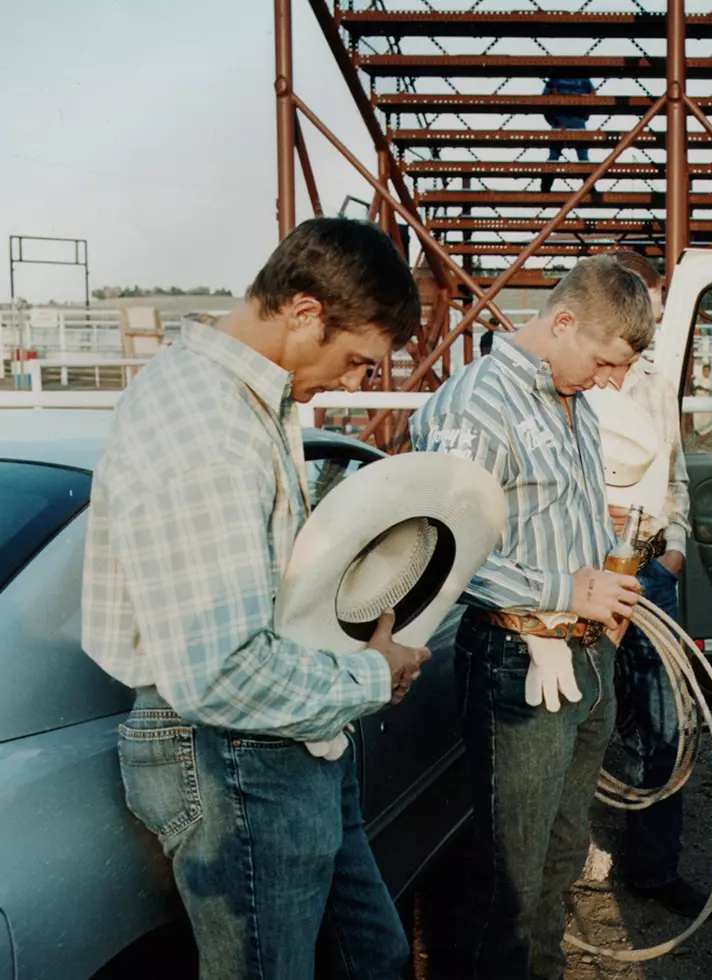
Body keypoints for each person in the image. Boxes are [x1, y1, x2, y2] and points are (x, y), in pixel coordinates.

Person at [81, 217, 429, 978]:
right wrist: (377, 675)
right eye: (358, 360)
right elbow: (221, 672)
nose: (357, 382)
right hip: (230, 749)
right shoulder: (209, 429)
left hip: (277, 737)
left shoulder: (242, 402)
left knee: (374, 957)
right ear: (305, 313)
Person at [409, 253, 655, 979]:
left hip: (582, 654)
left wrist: (610, 574)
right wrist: (565, 589)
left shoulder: (569, 396)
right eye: (608, 361)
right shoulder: (474, 406)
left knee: (556, 858)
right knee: (506, 877)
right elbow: (440, 549)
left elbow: (560, 512)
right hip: (517, 661)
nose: (614, 380)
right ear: (565, 321)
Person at [599, 249, 709, 917]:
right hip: (585, 575)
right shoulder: (578, 375)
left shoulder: (654, 376)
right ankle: (562, 862)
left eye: (657, 316)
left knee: (668, 725)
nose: (650, 330)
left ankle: (652, 867)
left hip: (649, 571)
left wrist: (676, 548)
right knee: (580, 722)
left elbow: (676, 471)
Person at [540, 77, 596, 193]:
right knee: (580, 158)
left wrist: (554, 121)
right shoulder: (584, 80)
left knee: (557, 156)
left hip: (566, 121)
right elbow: (593, 98)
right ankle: (589, 187)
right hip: (570, 121)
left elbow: (545, 102)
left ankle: (545, 186)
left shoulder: (555, 80)